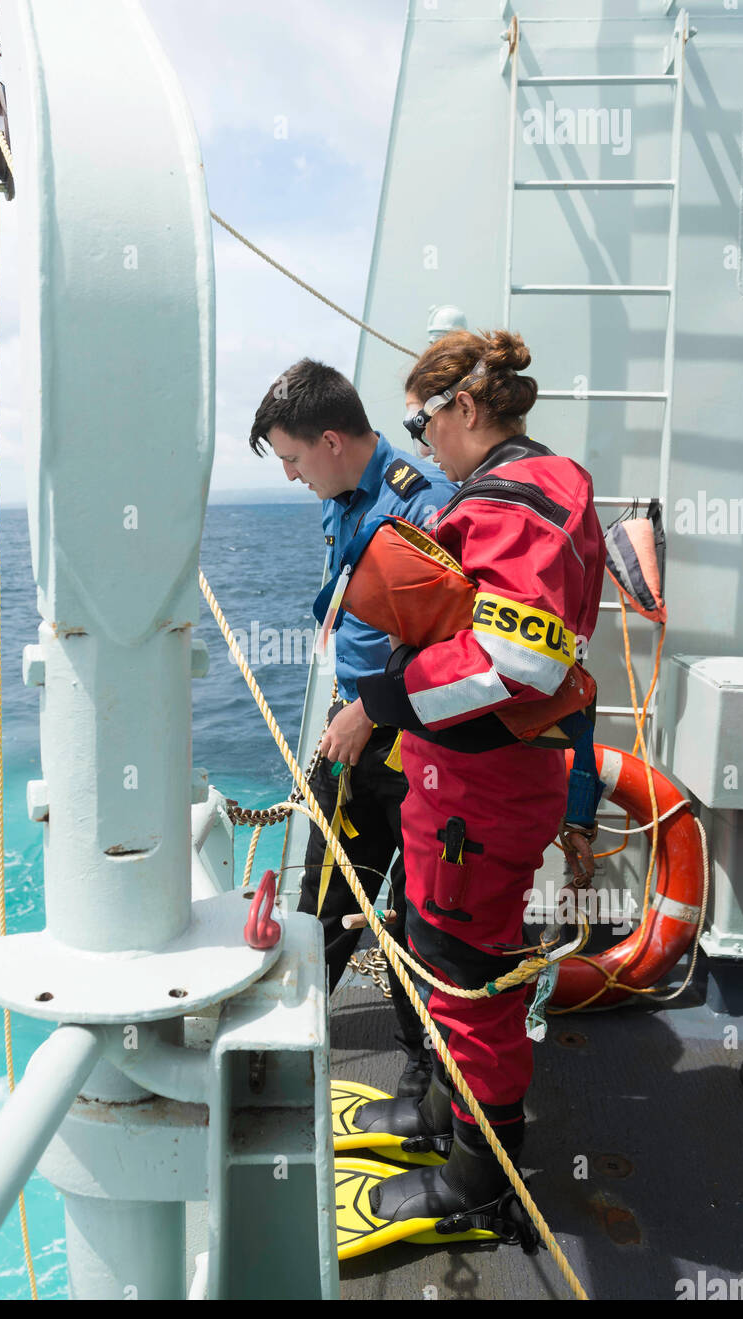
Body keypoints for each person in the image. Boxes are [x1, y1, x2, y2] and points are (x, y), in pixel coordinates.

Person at [352, 329, 606, 1227]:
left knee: (470, 984)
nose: (421, 443)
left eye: (423, 422)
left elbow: (512, 662)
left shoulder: (517, 501)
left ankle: (480, 1175)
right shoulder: (537, 490)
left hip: (480, 792)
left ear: (464, 406)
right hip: (455, 787)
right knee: (431, 952)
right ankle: (435, 1116)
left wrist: (383, 696)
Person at [249, 358, 457, 1096]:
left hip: (403, 740)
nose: (290, 476)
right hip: (358, 732)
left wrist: (368, 711)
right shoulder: (346, 497)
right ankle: (291, 1035)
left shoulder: (425, 504)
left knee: (408, 916)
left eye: (294, 458)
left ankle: (430, 1078)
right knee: (329, 893)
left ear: (332, 441)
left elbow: (456, 642)